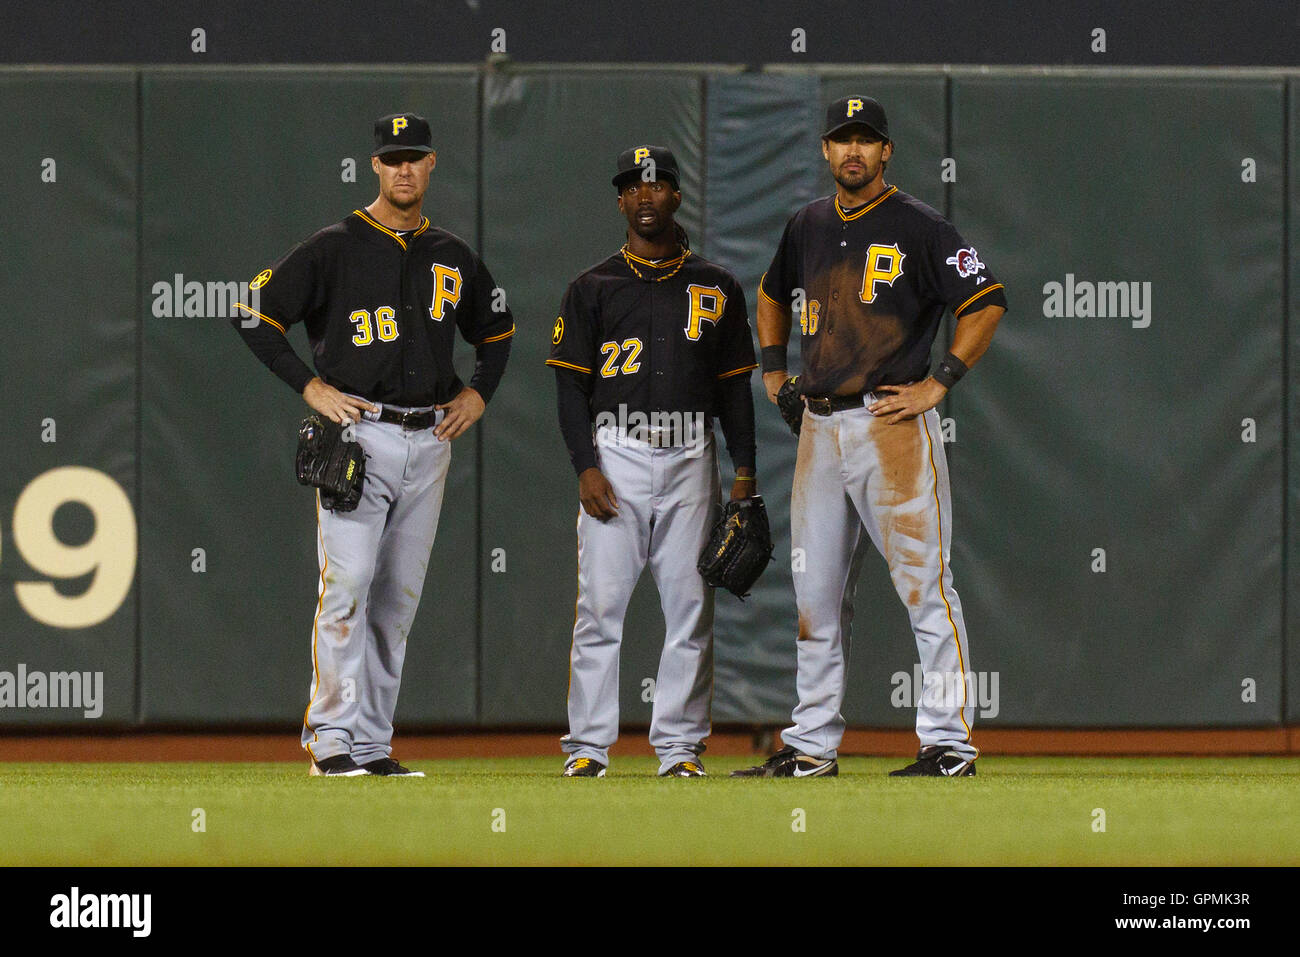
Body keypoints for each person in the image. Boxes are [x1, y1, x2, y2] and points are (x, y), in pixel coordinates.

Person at [232, 112, 514, 777]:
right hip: (359, 436)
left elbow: (496, 328)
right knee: (349, 585)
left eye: (414, 155)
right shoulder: (334, 246)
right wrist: (309, 387)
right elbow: (253, 312)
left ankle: (371, 745)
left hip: (430, 439)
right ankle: (330, 740)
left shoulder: (453, 253)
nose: (404, 168)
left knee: (395, 603)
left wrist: (479, 392)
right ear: (375, 167)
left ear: (432, 163)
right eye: (393, 158)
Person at [733, 96, 1006, 779]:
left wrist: (940, 381)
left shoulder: (921, 225)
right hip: (820, 428)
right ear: (825, 151)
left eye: (865, 140)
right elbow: (769, 293)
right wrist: (772, 370)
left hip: (892, 424)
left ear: (887, 152)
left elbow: (987, 300)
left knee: (925, 588)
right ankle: (811, 747)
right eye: (841, 140)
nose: (852, 150)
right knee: (814, 598)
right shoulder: (808, 225)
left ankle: (946, 743)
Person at [548, 145, 758, 778]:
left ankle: (679, 750)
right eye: (633, 187)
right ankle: (587, 748)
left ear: (676, 195)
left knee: (691, 611)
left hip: (693, 452)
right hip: (617, 452)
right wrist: (585, 464)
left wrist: (744, 474)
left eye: (657, 184)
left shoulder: (715, 284)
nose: (645, 196)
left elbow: (732, 391)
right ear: (620, 200)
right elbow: (570, 388)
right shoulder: (592, 287)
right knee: (599, 611)